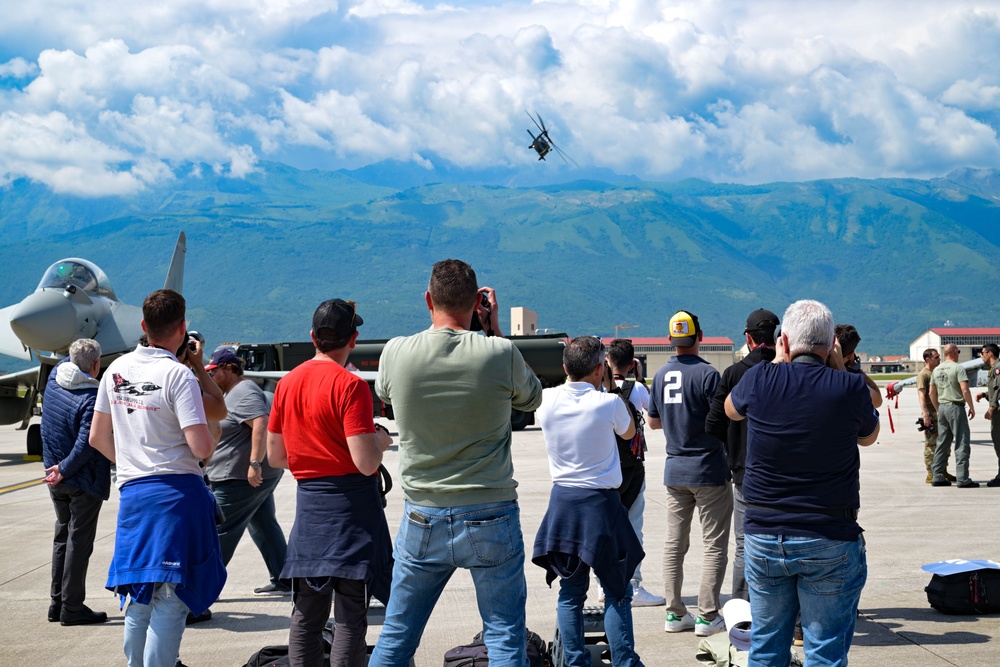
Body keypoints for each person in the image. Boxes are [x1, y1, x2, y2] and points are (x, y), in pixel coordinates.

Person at [369, 259, 543, 667]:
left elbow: (387, 395)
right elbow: (531, 398)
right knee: (503, 636)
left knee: (395, 637)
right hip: (491, 511)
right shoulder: (499, 352)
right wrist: (493, 329)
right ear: (478, 302)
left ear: (428, 299)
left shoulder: (396, 351)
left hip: (422, 515)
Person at [724, 299, 880, 667]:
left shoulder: (760, 378)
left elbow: (731, 409)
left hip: (764, 533)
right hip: (828, 533)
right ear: (831, 346)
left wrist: (779, 362)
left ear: (786, 341)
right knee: (823, 652)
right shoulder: (847, 387)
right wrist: (841, 368)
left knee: (765, 648)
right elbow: (869, 436)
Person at [89, 289, 227, 667]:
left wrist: (134, 464)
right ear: (182, 329)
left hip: (134, 494)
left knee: (140, 596)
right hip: (177, 497)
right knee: (171, 601)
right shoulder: (177, 375)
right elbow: (200, 447)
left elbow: (97, 438)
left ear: (143, 326)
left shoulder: (114, 371)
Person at [266, 298, 393, 667]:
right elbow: (366, 462)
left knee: (306, 615)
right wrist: (381, 440)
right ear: (352, 339)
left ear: (312, 337)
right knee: (351, 615)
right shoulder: (350, 385)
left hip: (310, 509)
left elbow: (276, 457)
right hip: (351, 510)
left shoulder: (288, 384)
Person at [532, 336, 644, 667]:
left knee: (571, 593)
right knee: (616, 590)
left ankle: (574, 662)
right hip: (601, 505)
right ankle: (624, 661)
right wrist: (607, 385)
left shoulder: (547, 401)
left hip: (563, 504)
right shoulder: (607, 403)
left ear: (565, 367)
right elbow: (628, 433)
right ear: (600, 368)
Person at [648, 310, 731, 637]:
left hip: (675, 470)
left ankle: (674, 612)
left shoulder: (660, 375)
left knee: (674, 544)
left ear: (670, 340)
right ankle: (708, 615)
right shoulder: (710, 375)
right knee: (713, 545)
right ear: (700, 336)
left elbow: (654, 422)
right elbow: (721, 420)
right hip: (709, 470)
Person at [704, 308, 779, 602]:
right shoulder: (785, 369)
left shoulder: (734, 373)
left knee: (743, 544)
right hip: (781, 472)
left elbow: (712, 424)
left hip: (744, 471)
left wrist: (735, 442)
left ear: (748, 338)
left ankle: (743, 615)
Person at [204, 347, 289, 596]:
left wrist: (254, 464)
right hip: (249, 476)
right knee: (263, 525)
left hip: (241, 478)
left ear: (230, 369)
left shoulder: (244, 390)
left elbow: (260, 422)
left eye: (214, 371)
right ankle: (285, 578)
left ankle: (202, 589)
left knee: (220, 531)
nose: (210, 376)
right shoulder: (232, 392)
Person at [42, 338, 111, 626]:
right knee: (78, 542)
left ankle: (56, 603)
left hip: (54, 477)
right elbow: (87, 444)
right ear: (95, 366)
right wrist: (66, 469)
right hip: (80, 480)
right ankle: (72, 608)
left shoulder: (54, 380)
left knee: (62, 537)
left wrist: (54, 469)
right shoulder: (91, 398)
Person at [606, 338, 663, 607]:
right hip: (632, 468)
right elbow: (654, 417)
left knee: (607, 526)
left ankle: (602, 583)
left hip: (605, 467)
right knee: (633, 525)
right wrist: (639, 378)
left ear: (606, 362)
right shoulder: (636, 387)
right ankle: (633, 583)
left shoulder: (599, 388)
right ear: (632, 364)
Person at [930, 343, 977, 488]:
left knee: (942, 442)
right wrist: (971, 406)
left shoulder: (936, 370)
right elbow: (965, 390)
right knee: (962, 442)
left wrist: (938, 408)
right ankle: (962, 478)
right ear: (955, 352)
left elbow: (932, 392)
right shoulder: (958, 368)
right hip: (955, 407)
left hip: (942, 407)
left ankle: (937, 475)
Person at [916, 349, 952, 484]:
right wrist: (925, 414)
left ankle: (942, 470)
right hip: (931, 413)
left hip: (941, 411)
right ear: (928, 359)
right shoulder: (924, 375)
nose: (939, 360)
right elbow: (921, 395)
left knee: (944, 443)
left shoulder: (938, 372)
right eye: (936, 357)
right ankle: (931, 473)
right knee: (931, 444)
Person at [975, 343, 1000, 487]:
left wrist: (991, 407)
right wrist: (985, 394)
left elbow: (998, 389)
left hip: (998, 411)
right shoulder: (994, 369)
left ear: (990, 353)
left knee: (998, 441)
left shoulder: (997, 369)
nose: (981, 355)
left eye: (983, 352)